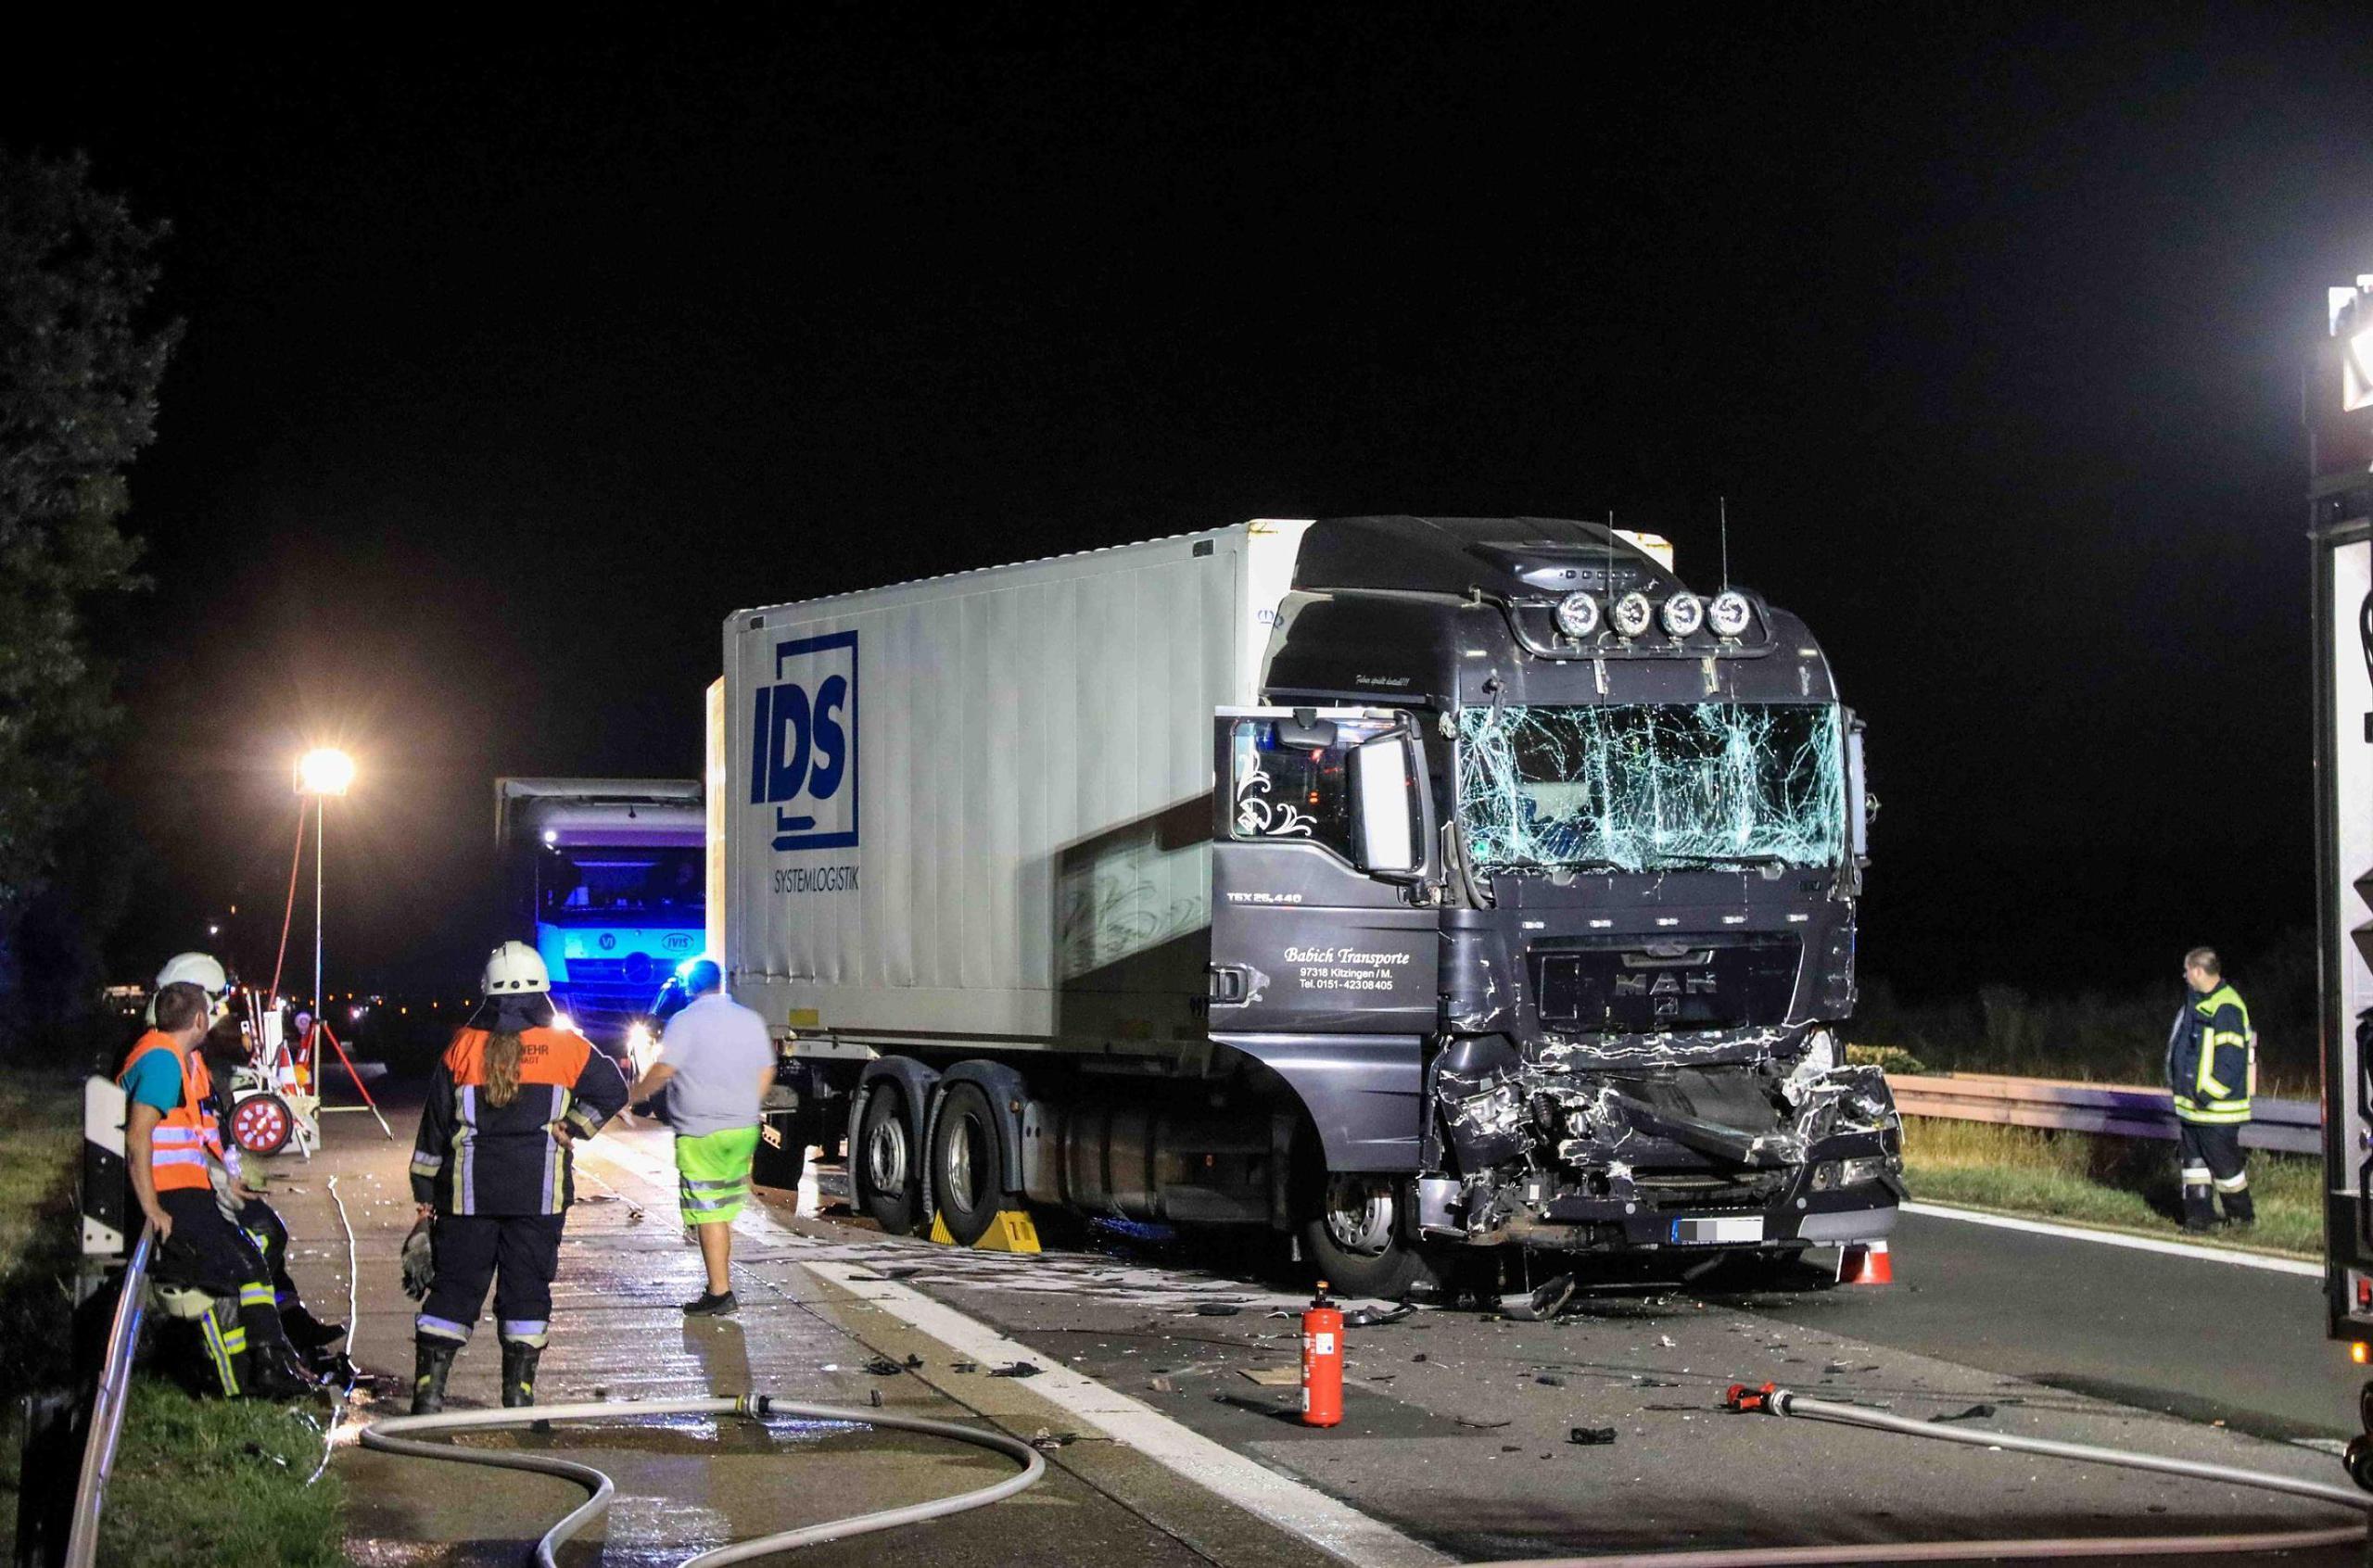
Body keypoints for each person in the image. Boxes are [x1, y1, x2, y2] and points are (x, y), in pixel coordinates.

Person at [407, 941, 628, 1412]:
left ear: (488, 992)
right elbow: (614, 1089)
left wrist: (424, 1197)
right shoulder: (568, 1047)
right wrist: (575, 1128)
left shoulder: (463, 1046)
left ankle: (428, 1397)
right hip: (539, 1195)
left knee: (456, 1287)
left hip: (468, 1196)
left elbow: (434, 1125)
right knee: (527, 1289)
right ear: (541, 993)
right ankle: (519, 1396)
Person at [120, 979, 314, 1398]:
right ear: (199, 1019)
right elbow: (139, 1139)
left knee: (249, 1255)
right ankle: (252, 1373)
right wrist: (152, 1208)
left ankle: (268, 1361)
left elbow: (204, 1131)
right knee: (239, 1263)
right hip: (171, 1195)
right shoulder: (161, 1061)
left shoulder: (182, 1059)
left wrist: (229, 1176)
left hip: (190, 1190)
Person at [626, 959, 775, 1316]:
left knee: (709, 1213)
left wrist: (635, 1093)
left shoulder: (685, 1020)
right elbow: (767, 1068)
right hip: (741, 1130)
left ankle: (720, 1292)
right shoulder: (748, 1019)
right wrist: (745, 1105)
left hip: (701, 1132)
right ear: (720, 984)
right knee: (720, 1210)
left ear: (691, 988)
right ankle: (718, 1281)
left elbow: (664, 1068)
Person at [199, 1009, 345, 1359]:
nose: (249, 1042)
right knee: (264, 1239)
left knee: (270, 1238)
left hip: (213, 1185)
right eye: (242, 1035)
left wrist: (232, 1177)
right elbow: (205, 1139)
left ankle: (291, 1321)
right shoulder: (204, 1073)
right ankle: (267, 1342)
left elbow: (220, 1139)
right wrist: (226, 1182)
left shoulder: (210, 1073)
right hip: (197, 1195)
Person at [2168, 946, 2255, 1232]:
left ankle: (2242, 1219)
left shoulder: (2226, 1006)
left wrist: (2205, 1095)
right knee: (2194, 1168)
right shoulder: (2196, 1003)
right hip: (2193, 1109)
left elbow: (2230, 1064)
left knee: (2225, 1169)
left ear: (2197, 970)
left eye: (2186, 970)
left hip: (2215, 1109)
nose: (2184, 976)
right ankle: (2198, 1218)